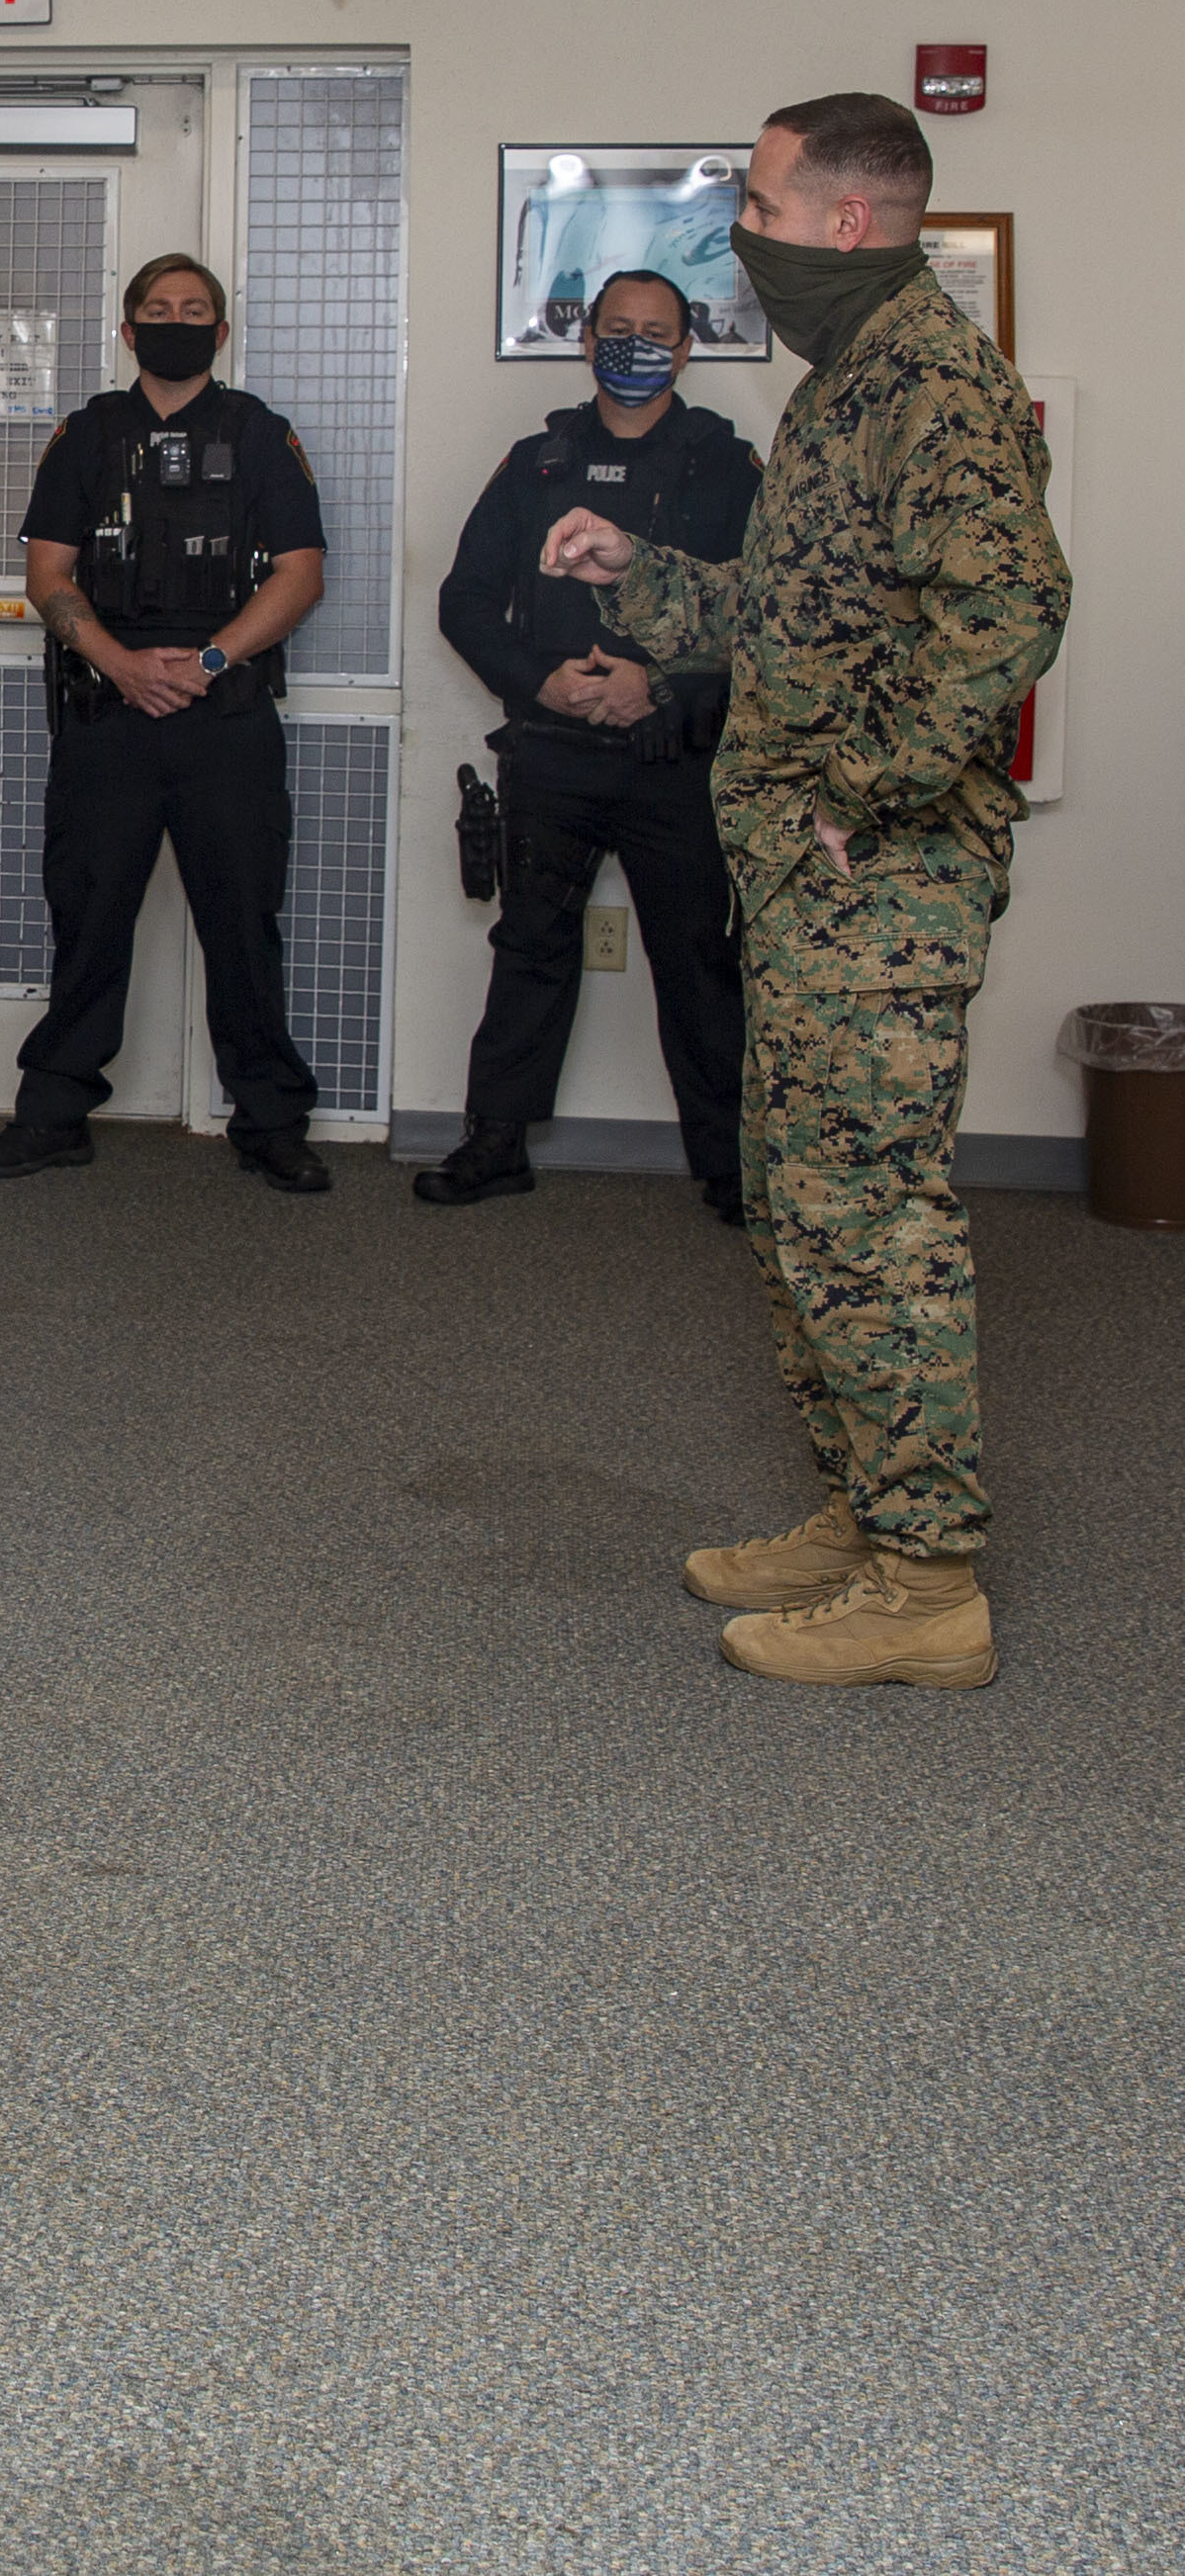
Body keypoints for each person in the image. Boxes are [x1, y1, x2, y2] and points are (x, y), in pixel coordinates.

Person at [541, 92, 1067, 1692]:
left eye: (759, 206)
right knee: (797, 1198)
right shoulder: (847, 387)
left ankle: (926, 1581)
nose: (740, 234)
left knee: (866, 1214)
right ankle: (863, 1510)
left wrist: (867, 785)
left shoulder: (932, 389)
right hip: (802, 870)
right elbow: (792, 622)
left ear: (847, 221)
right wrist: (625, 573)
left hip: (875, 876)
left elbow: (1009, 613)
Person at [0, 254, 334, 1194]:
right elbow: (47, 574)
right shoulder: (85, 436)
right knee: (87, 917)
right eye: (157, 310)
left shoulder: (259, 435)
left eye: (196, 310)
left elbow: (300, 575)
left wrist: (205, 662)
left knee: (242, 923)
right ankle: (52, 1113)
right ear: (128, 332)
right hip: (107, 714)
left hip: (226, 716)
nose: (177, 322)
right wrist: (125, 666)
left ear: (220, 332)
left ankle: (269, 1119)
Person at [423, 269, 762, 1217]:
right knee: (528, 944)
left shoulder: (729, 466)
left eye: (656, 331)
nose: (635, 344)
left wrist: (652, 684)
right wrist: (542, 681)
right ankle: (494, 1141)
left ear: (687, 348)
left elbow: (768, 615)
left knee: (699, 961)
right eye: (617, 328)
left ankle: (730, 1168)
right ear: (585, 340)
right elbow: (462, 600)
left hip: (678, 755)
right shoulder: (537, 461)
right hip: (551, 751)